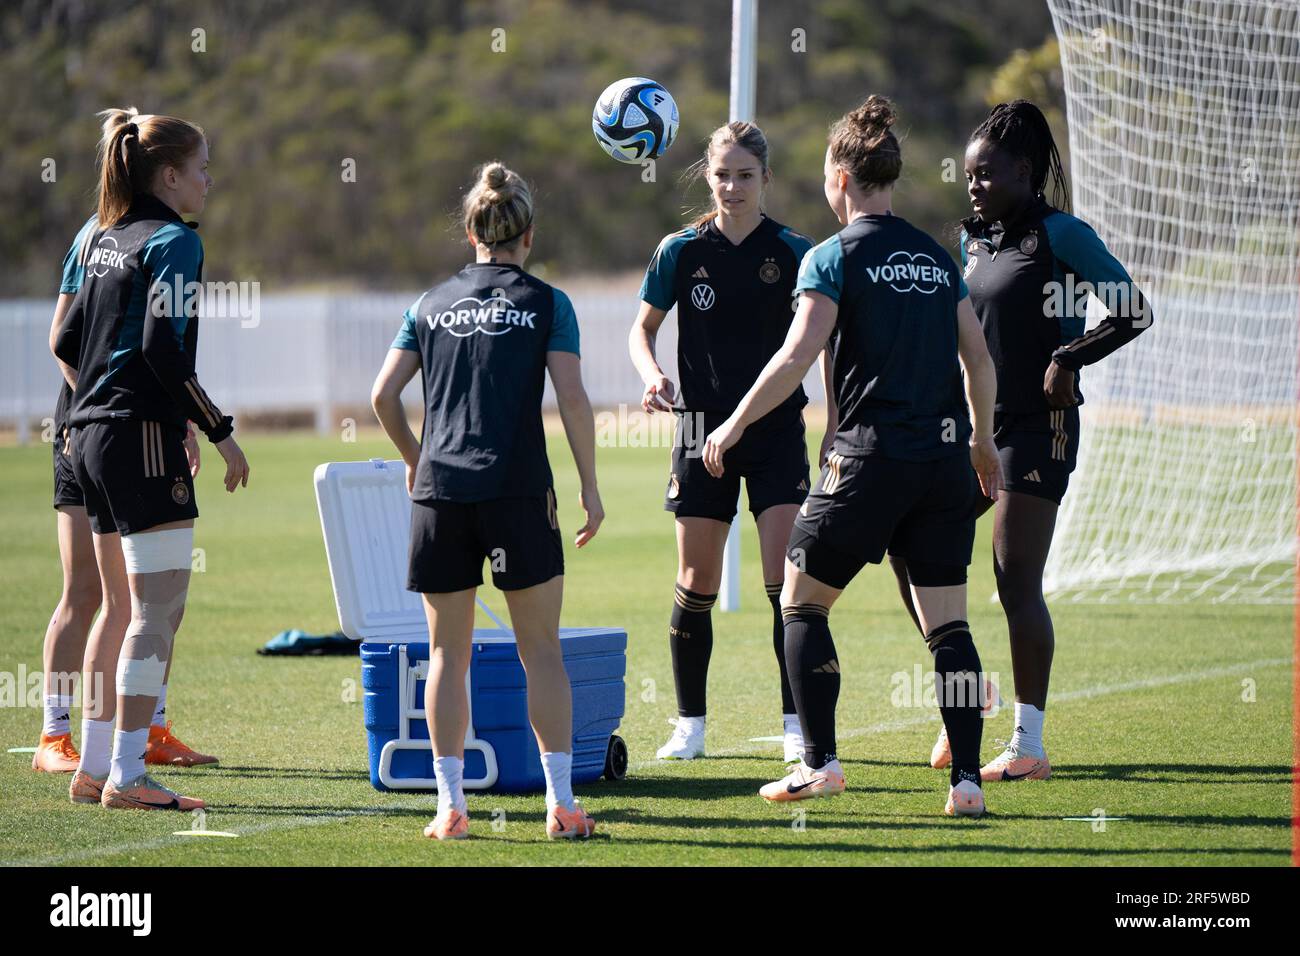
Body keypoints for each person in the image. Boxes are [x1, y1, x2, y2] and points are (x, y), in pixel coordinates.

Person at [702, 96, 1002, 816]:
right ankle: (966, 782)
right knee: (949, 625)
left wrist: (733, 424)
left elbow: (796, 355)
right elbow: (981, 362)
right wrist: (982, 440)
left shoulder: (830, 256)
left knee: (801, 604)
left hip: (869, 460)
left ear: (841, 177)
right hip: (941, 462)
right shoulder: (935, 256)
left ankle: (819, 763)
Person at [899, 100, 1153, 781]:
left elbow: (1133, 309)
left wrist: (1068, 357)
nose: (974, 184)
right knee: (912, 552)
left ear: (1024, 170)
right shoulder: (972, 243)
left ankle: (1028, 744)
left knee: (1014, 579)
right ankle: (967, 696)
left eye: (987, 174)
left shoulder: (1063, 235)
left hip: (1041, 429)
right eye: (970, 175)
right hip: (975, 429)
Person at [372, 161, 604, 841]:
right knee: (542, 652)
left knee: (448, 656)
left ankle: (451, 808)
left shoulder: (427, 304)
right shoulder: (548, 303)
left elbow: (382, 398)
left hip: (440, 497)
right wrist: (589, 486)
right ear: (527, 233)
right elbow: (573, 399)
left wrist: (418, 462)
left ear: (472, 230)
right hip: (518, 492)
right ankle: (560, 806)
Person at [53, 107, 248, 812]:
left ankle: (95, 765)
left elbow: (66, 341)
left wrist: (109, 407)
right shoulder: (173, 241)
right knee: (155, 612)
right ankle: (128, 777)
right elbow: (166, 349)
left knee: (119, 608)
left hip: (86, 436)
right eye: (201, 169)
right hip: (135, 438)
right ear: (169, 176)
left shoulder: (104, 235)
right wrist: (215, 427)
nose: (209, 180)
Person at [629, 121, 821, 763]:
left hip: (774, 430)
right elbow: (642, 329)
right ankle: (690, 725)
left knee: (785, 582)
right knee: (696, 579)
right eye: (722, 175)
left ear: (766, 178)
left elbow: (826, 336)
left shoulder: (796, 251)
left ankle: (797, 727)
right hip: (697, 429)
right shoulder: (680, 250)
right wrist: (652, 373)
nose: (733, 187)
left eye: (745, 175)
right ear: (706, 179)